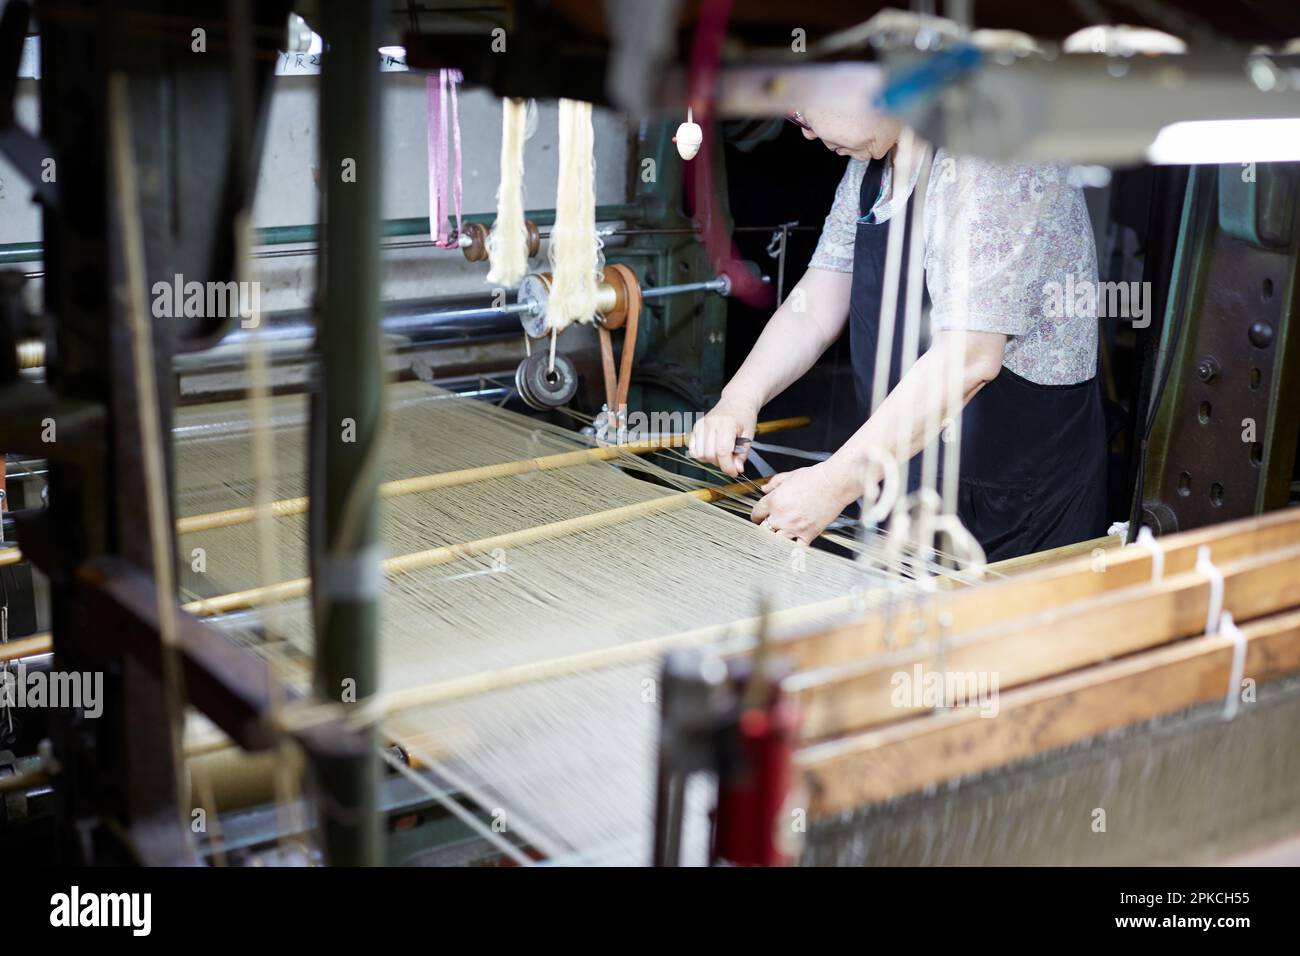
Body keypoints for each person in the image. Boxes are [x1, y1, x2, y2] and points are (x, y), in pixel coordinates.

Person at [688, 107, 1106, 561]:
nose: (804, 132)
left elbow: (969, 358)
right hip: (905, 463)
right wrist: (740, 398)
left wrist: (831, 485)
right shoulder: (874, 166)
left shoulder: (993, 162)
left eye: (805, 110)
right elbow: (816, 304)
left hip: (1013, 496)